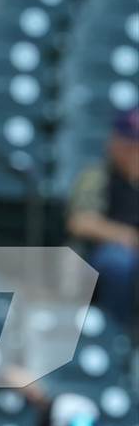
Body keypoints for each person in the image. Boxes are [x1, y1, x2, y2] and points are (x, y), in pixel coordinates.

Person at [67, 108, 139, 326]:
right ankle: (115, 332)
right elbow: (80, 222)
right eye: (128, 143)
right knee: (117, 261)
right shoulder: (98, 176)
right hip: (105, 253)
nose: (132, 151)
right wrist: (126, 236)